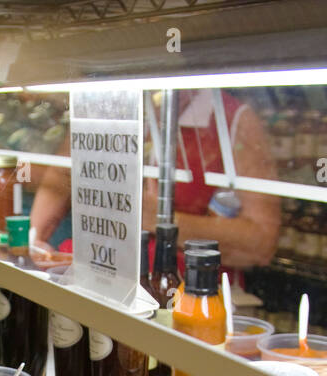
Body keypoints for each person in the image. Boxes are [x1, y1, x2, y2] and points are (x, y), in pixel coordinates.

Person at [30, 89, 279, 276]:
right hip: (97, 272)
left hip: (182, 289)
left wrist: (161, 219)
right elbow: (65, 170)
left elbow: (262, 242)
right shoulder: (115, 97)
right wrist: (34, 240)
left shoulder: (234, 120)